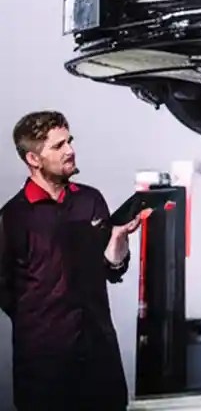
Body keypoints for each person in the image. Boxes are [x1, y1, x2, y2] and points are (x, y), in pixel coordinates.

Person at [0, 110, 148, 411]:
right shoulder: (12, 217)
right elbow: (5, 291)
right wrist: (42, 321)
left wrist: (118, 238)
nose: (70, 150)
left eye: (69, 141)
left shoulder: (90, 200)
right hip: (44, 367)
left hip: (99, 356)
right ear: (33, 159)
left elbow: (113, 268)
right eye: (58, 146)